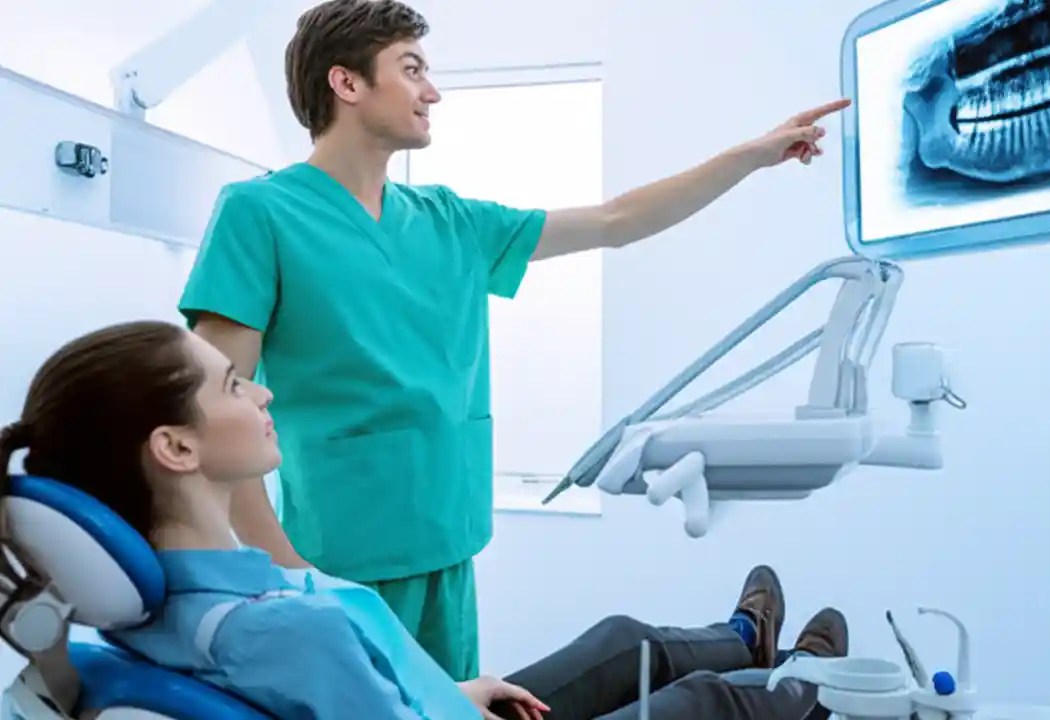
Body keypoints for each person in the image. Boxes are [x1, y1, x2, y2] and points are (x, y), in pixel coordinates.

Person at [180, 0, 851, 681]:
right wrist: (294, 581)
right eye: (411, 69)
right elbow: (212, 423)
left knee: (466, 701)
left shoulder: (449, 219)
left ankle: (746, 652)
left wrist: (750, 157)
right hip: (336, 563)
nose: (432, 91)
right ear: (346, 83)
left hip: (449, 548)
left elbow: (617, 220)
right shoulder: (259, 214)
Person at [0, 320, 849, 720]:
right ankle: (810, 693)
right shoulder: (275, 628)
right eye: (230, 384)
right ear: (176, 449)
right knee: (702, 704)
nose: (260, 391)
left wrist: (453, 696)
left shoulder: (161, 613)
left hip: (434, 711)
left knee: (623, 638)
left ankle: (751, 641)